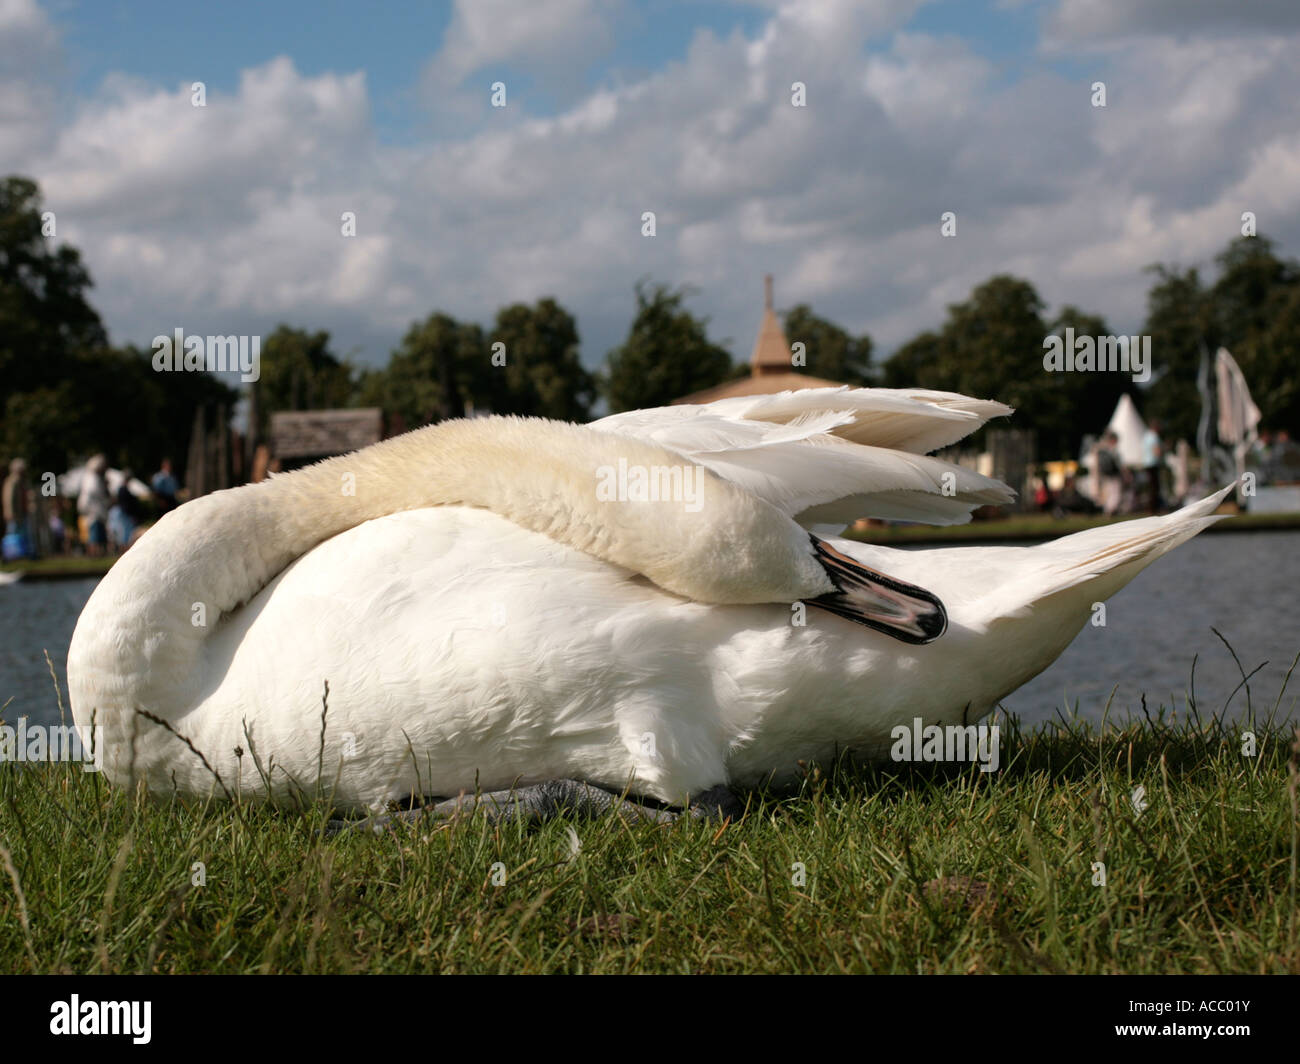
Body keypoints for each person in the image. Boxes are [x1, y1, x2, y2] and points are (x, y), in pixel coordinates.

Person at [78, 454, 111, 558]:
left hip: (97, 511)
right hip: (94, 511)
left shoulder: (95, 478)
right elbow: (95, 493)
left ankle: (98, 554)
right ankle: (94, 554)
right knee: (94, 534)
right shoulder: (92, 479)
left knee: (98, 533)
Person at [2, 457, 32, 559]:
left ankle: (20, 555)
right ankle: (12, 556)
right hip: (15, 515)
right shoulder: (12, 482)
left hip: (21, 513)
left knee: (21, 535)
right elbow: (9, 499)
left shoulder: (21, 481)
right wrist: (10, 513)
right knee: (13, 535)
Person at [1095, 432, 1123, 515]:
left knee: (1109, 493)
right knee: (1115, 493)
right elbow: (1118, 464)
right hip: (1113, 474)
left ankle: (1108, 510)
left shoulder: (1102, 449)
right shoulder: (1112, 450)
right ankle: (1111, 510)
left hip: (1106, 474)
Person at [1139, 419, 1163, 512]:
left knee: (1151, 487)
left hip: (1146, 464)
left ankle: (1151, 507)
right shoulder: (1154, 436)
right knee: (1155, 487)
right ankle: (1153, 508)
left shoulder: (1146, 436)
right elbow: (1157, 451)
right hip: (1153, 464)